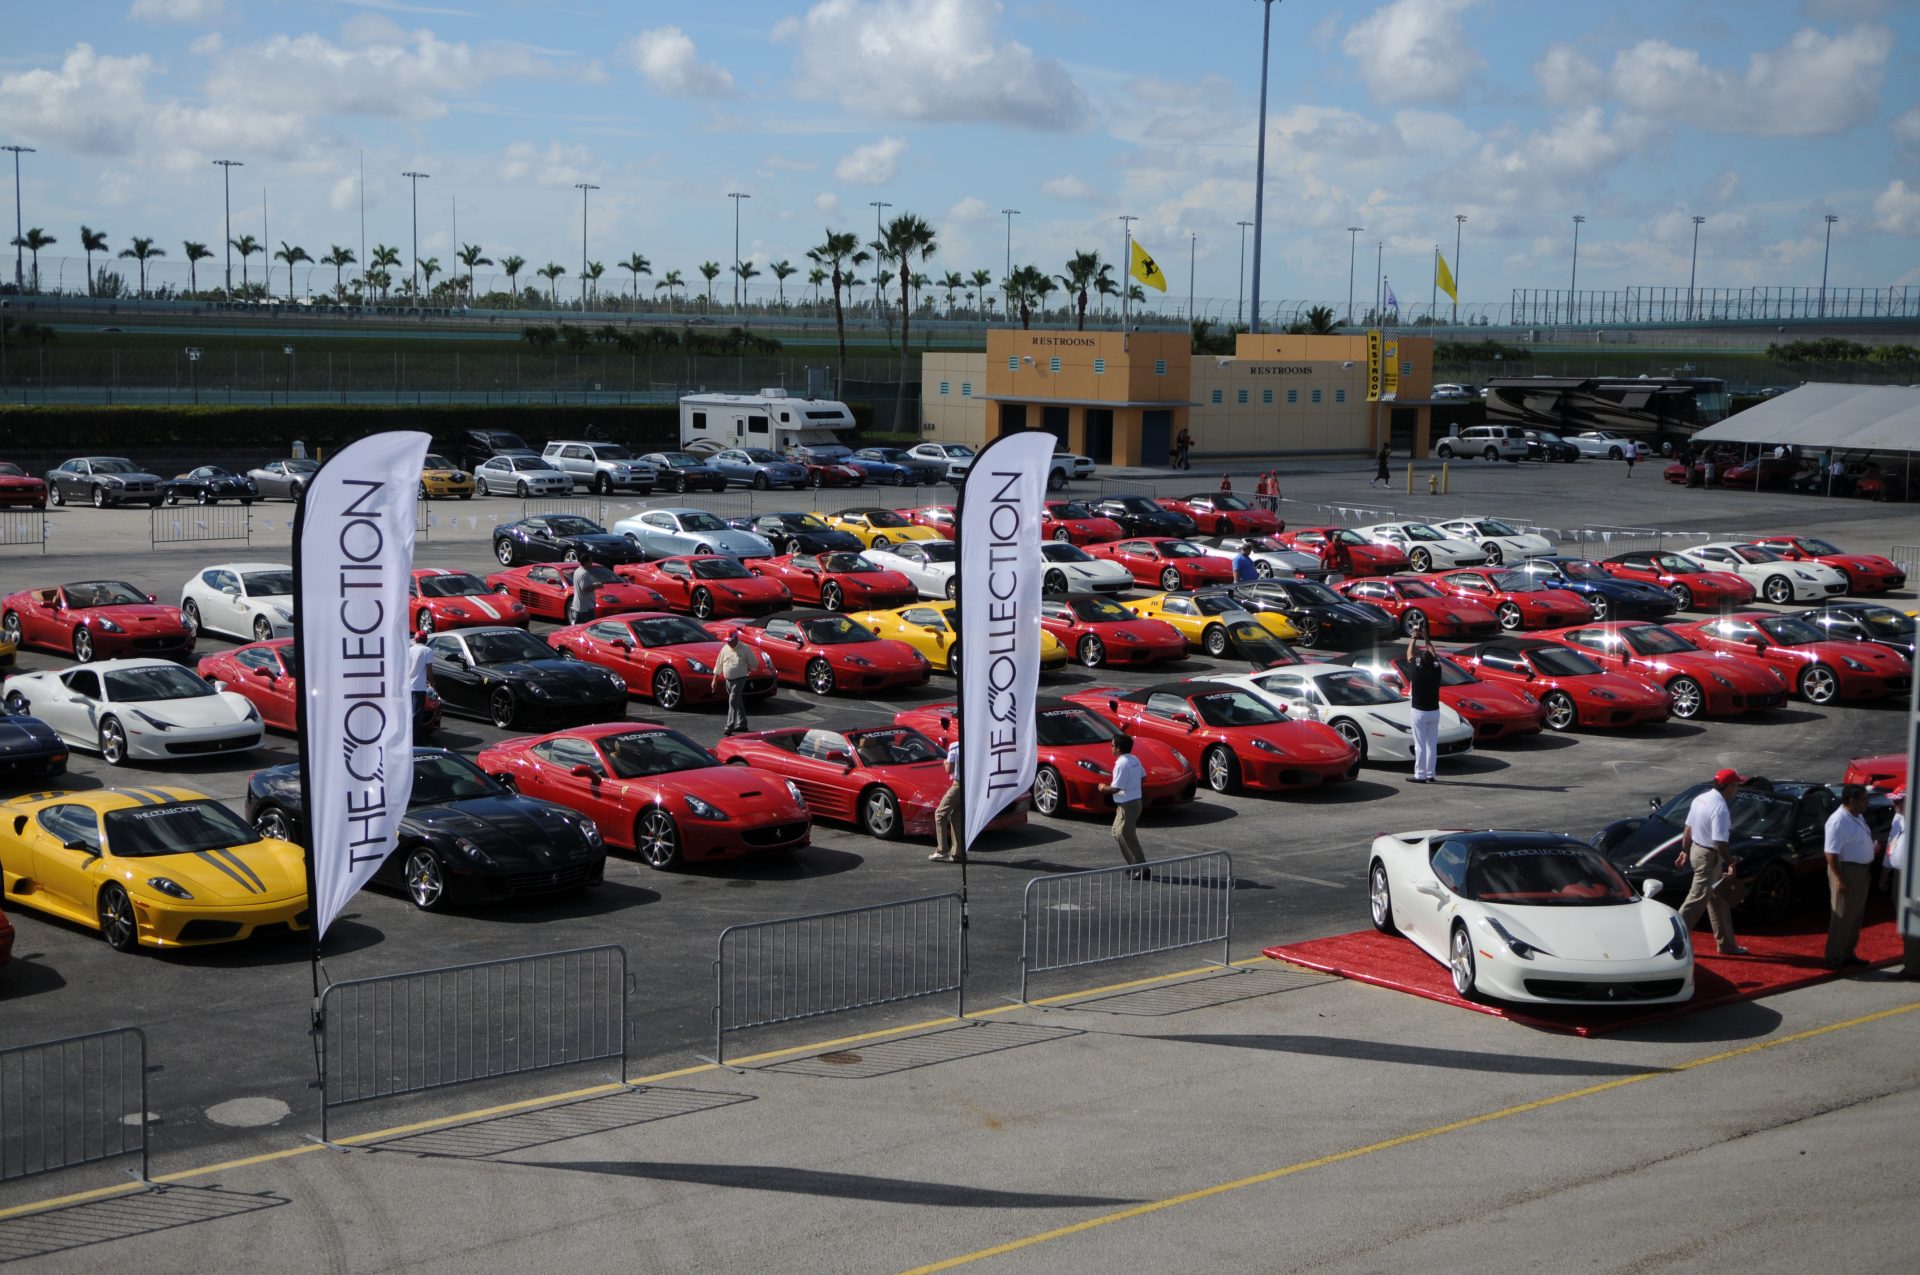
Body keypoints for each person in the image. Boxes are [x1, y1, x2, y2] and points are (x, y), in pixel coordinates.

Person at [1676, 768, 1750, 956]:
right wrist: (1731, 862)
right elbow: (1719, 843)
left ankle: (1727, 945)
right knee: (1696, 900)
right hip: (1708, 858)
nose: (1737, 789)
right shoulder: (1720, 809)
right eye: (1736, 785)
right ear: (1728, 786)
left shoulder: (1700, 799)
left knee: (1719, 898)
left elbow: (1688, 828)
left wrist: (1685, 850)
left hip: (1698, 851)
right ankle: (1672, 940)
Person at [1822, 783, 1878, 969]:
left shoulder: (1857, 816)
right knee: (1842, 914)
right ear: (1851, 801)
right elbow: (1831, 853)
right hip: (1846, 871)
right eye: (1863, 799)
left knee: (1855, 914)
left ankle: (1847, 952)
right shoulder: (1838, 821)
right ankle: (1834, 957)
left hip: (1860, 871)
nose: (1866, 802)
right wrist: (1840, 879)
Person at [1098, 733, 1147, 878]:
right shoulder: (1134, 759)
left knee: (1126, 835)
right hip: (1128, 803)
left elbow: (1115, 788)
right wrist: (1133, 788)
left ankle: (1141, 868)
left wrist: (1102, 787)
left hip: (1129, 804)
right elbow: (1143, 776)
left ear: (1118, 748)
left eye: (1112, 745)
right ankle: (1135, 865)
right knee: (1116, 832)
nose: (1111, 747)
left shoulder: (1121, 763)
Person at [1883, 805, 1918, 980]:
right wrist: (1885, 871)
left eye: (1899, 801)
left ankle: (1913, 967)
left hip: (1914, 876)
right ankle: (1912, 963)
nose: (1895, 806)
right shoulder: (1897, 819)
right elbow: (1892, 844)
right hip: (1899, 875)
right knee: (1905, 921)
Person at [1406, 632, 1443, 783]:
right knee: (1431, 744)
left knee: (1420, 744)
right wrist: (1426, 637)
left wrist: (1414, 637)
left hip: (1419, 712)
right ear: (1432, 662)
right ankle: (1430, 774)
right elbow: (1433, 652)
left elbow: (1409, 653)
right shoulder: (1437, 670)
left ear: (1421, 662)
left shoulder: (1416, 671)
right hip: (1434, 711)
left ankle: (1420, 775)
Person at [710, 629, 753, 736]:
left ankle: (729, 726)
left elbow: (753, 662)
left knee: (732, 700)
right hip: (728, 680)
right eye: (727, 640)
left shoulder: (745, 648)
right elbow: (719, 663)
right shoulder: (725, 649)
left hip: (740, 678)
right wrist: (714, 679)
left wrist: (749, 669)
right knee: (737, 701)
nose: (729, 642)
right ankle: (742, 723)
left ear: (736, 638)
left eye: (731, 640)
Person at [930, 740, 964, 862]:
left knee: (940, 814)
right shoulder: (975, 745)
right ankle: (957, 853)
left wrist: (945, 763)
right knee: (956, 817)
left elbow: (949, 769)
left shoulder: (954, 746)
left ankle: (942, 850)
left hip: (958, 785)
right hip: (970, 786)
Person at [407, 630, 434, 720]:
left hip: (408, 686)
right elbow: (429, 669)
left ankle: (409, 729)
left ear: (415, 639)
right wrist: (432, 682)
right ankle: (415, 729)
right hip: (419, 687)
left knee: (409, 712)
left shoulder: (409, 650)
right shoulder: (427, 650)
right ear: (425, 640)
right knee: (417, 713)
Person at [569, 552, 597, 624]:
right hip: (586, 607)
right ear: (586, 562)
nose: (592, 562)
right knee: (592, 626)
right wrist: (596, 586)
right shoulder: (584, 573)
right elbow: (585, 588)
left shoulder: (577, 571)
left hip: (579, 606)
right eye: (590, 561)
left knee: (579, 627)